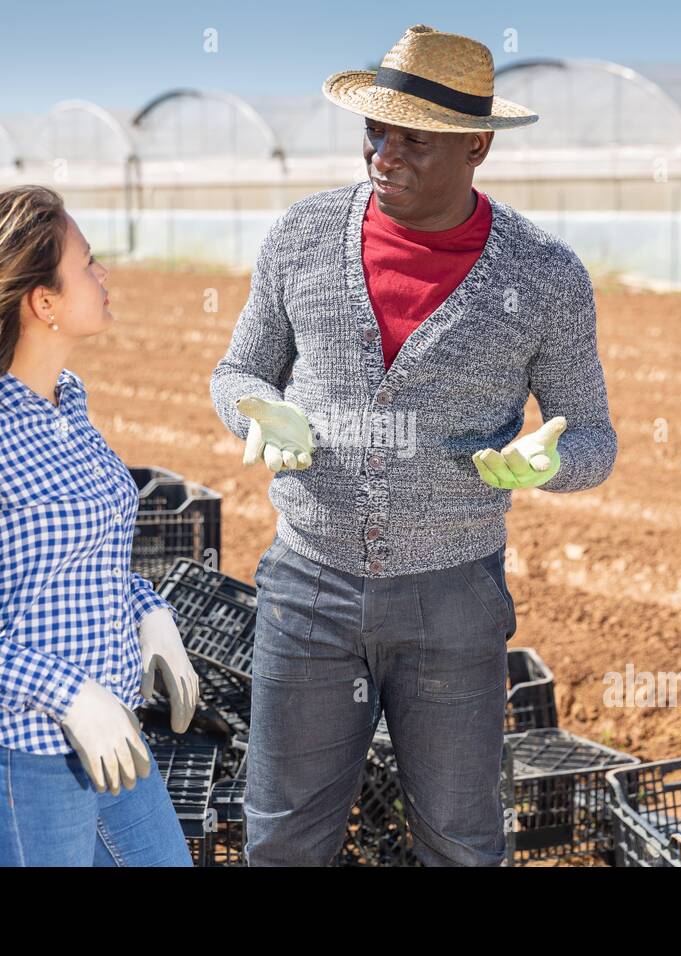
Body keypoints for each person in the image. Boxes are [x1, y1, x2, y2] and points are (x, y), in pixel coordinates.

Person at [211, 25, 619, 866]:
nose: (382, 155)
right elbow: (237, 370)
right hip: (307, 587)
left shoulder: (543, 275)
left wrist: (552, 461)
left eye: (412, 139)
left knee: (462, 843)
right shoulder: (303, 237)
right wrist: (256, 410)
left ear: (477, 145)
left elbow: (596, 438)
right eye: (374, 132)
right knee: (282, 838)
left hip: (454, 602)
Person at [0, 185, 200, 866]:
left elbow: (80, 556)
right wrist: (70, 695)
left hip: (113, 740)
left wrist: (149, 613)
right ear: (43, 303)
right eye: (88, 264)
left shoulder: (67, 404)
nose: (104, 274)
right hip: (20, 762)